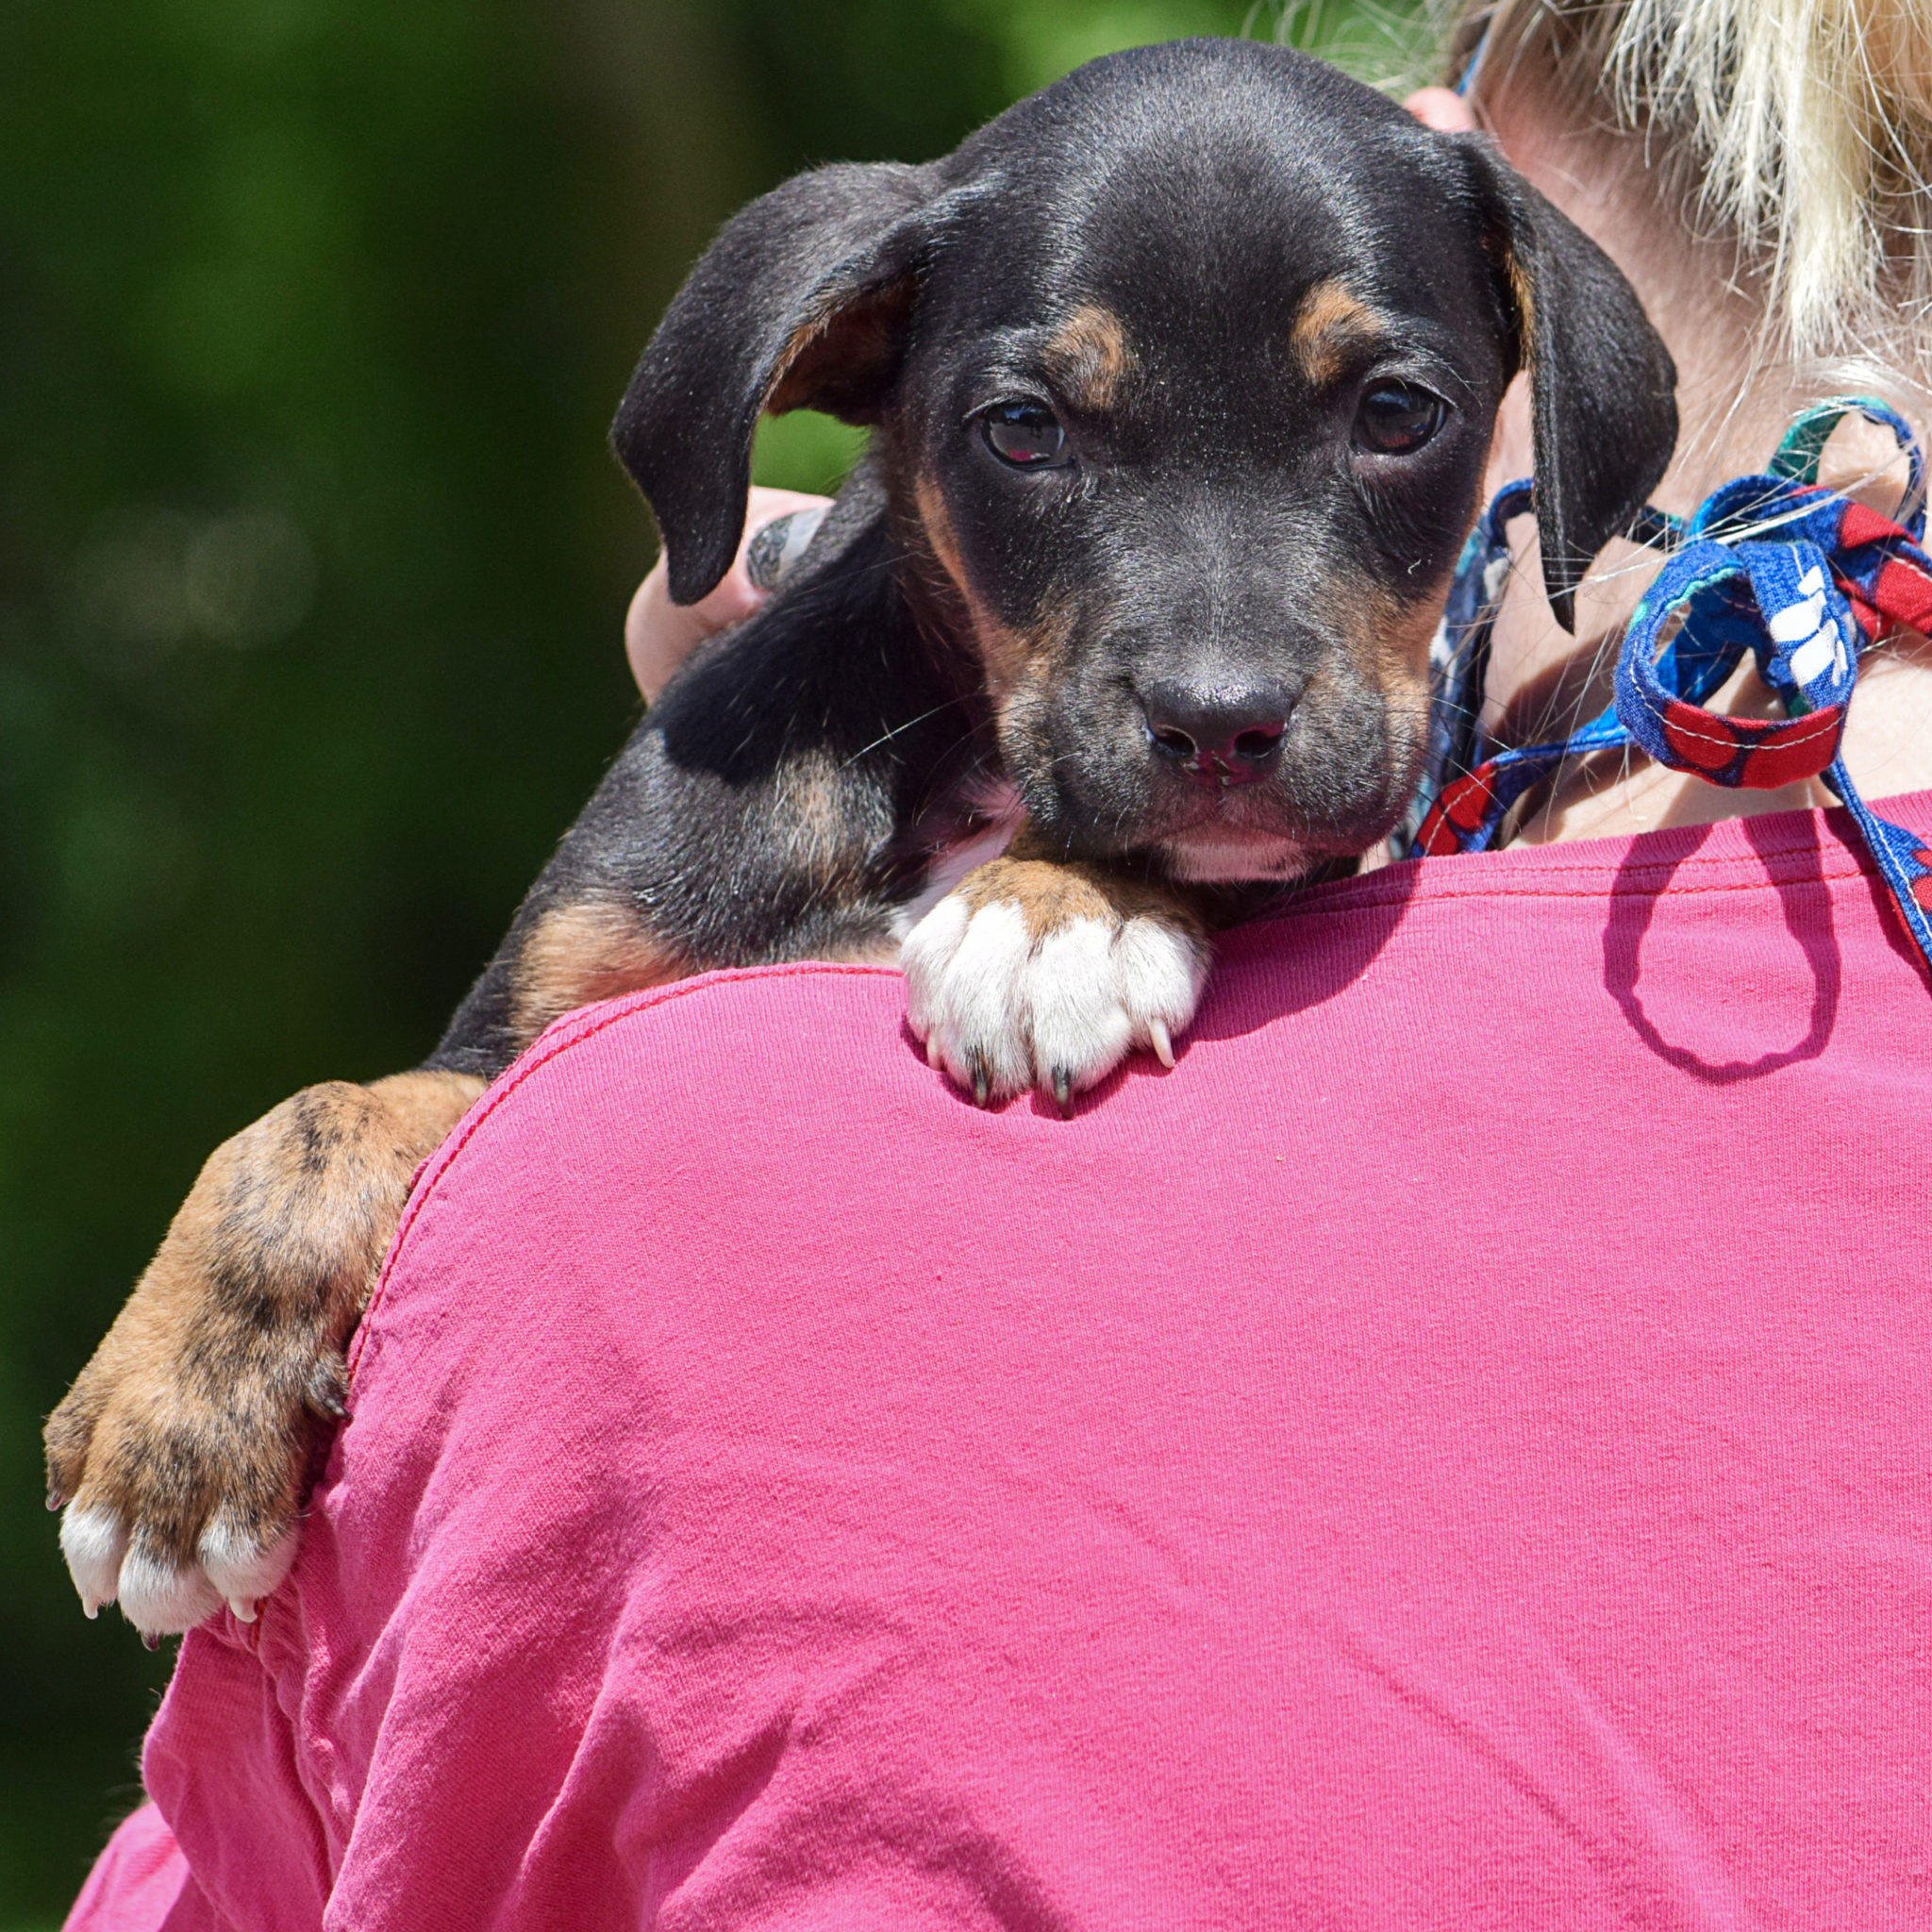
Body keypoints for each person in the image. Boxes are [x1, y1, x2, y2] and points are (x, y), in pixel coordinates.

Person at [63, 4, 1932, 1925]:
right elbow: (458, 1116)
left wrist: (1119, 875)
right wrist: (283, 1196)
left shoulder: (1467, 888)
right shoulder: (711, 835)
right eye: (1034, 434)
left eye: (1388, 419)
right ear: (842, 375)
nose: (1222, 669)